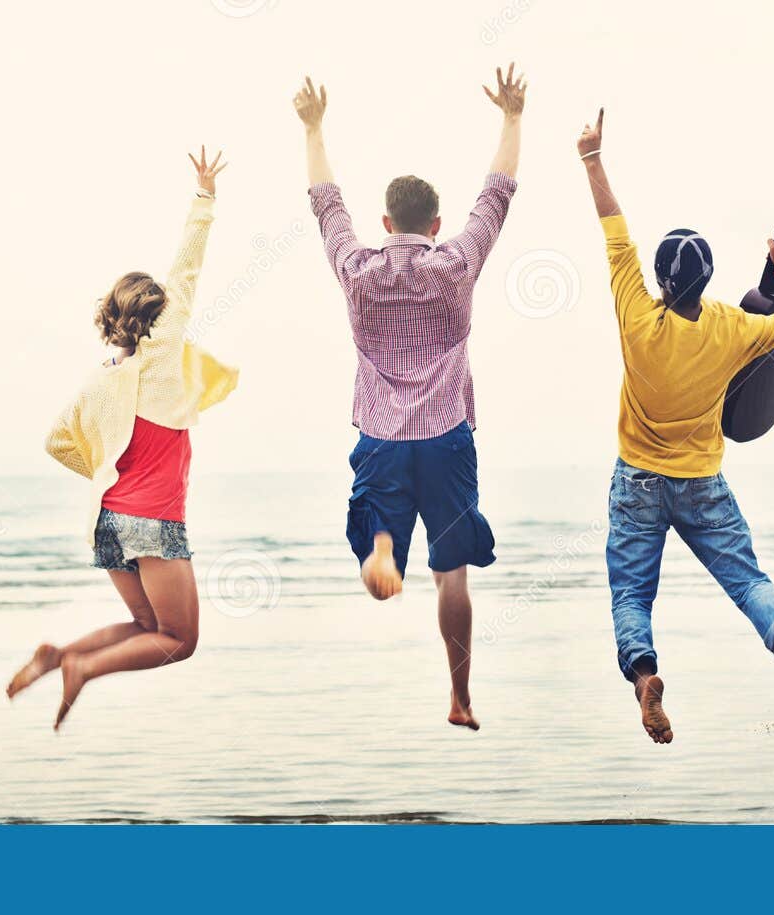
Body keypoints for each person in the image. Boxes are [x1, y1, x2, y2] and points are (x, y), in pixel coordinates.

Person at [575, 109, 774, 746]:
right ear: (708, 280)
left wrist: (592, 157)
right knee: (746, 578)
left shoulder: (637, 314)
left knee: (631, 592)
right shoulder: (730, 326)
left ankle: (645, 677)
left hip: (637, 481)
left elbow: (614, 231)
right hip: (702, 483)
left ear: (659, 281)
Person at [292, 65, 525, 731]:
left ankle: (381, 544)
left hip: (381, 438)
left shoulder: (358, 272)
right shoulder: (456, 265)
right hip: (447, 437)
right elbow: (497, 196)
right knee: (453, 574)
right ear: (436, 223)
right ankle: (459, 696)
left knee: (380, 531)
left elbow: (326, 202)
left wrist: (313, 127)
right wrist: (511, 118)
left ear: (387, 221)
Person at [6, 149, 237, 731]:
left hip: (107, 522)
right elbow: (188, 266)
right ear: (158, 316)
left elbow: (58, 441)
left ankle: (59, 656)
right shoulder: (162, 353)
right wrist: (204, 195)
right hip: (153, 521)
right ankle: (83, 671)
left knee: (147, 630)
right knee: (180, 641)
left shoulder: (101, 380)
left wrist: (107, 469)